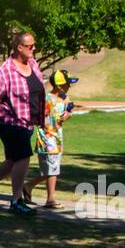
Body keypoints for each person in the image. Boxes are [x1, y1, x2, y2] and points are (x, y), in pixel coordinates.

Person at [0, 30, 46, 215]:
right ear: (19, 47)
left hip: (28, 121)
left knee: (12, 160)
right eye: (30, 46)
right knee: (23, 156)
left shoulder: (33, 64)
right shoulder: (5, 71)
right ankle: (16, 201)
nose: (34, 48)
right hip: (9, 122)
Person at [24, 70, 77, 209]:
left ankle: (28, 186)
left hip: (57, 137)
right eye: (67, 84)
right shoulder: (46, 99)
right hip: (47, 137)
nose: (69, 87)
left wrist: (68, 112)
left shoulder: (64, 97)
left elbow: (71, 105)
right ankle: (50, 199)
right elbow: (36, 115)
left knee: (51, 169)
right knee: (52, 169)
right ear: (59, 86)